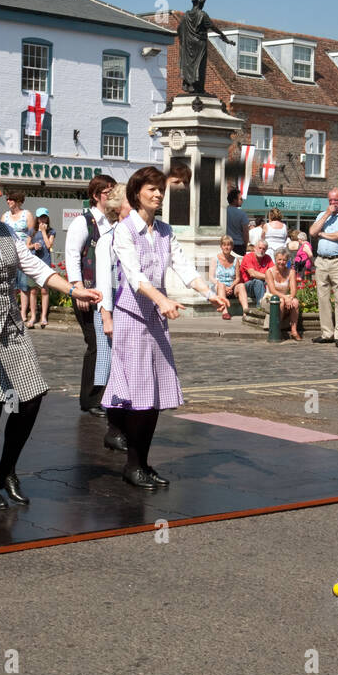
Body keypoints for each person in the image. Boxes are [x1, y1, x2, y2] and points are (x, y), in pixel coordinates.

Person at [0, 165, 100, 508]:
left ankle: (6, 469)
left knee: (30, 397)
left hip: (10, 322)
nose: (0, 194)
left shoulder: (3, 230)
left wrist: (74, 290)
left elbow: (36, 268)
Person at [102, 166, 228, 488]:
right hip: (132, 318)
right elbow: (135, 276)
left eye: (161, 190)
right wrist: (162, 300)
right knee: (140, 397)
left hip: (156, 319)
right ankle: (133, 465)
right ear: (136, 193)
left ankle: (144, 463)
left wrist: (210, 294)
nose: (158, 194)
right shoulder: (124, 231)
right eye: (151, 189)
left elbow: (185, 268)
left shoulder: (165, 231)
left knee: (154, 396)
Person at [66, 175, 117, 414]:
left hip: (107, 294)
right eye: (108, 192)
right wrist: (78, 291)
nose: (112, 196)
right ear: (96, 196)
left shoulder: (113, 223)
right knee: (96, 345)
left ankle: (106, 393)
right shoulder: (83, 222)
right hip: (88, 292)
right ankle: (91, 399)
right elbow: (73, 256)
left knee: (107, 345)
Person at [93, 184, 130, 452]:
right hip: (112, 307)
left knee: (130, 368)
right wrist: (107, 317)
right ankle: (114, 427)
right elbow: (103, 281)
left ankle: (124, 423)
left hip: (131, 309)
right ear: (118, 209)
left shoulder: (137, 236)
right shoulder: (108, 238)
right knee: (113, 368)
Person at [309, 188, 338, 347]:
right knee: (323, 299)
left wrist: (323, 234)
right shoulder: (323, 215)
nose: (333, 204)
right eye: (330, 201)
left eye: (336, 200)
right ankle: (327, 333)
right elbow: (312, 231)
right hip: (322, 261)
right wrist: (327, 215)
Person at [1, 191, 37, 326]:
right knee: (11, 285)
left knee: (23, 286)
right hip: (9, 253)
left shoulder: (26, 214)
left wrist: (28, 246)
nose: (8, 201)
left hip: (23, 253)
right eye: (7, 199)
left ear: (18, 201)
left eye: (11, 199)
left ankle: (22, 313)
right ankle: (12, 311)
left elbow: (31, 232)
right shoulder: (5, 216)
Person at [265, 247, 301, 339]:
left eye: (284, 260)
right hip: (271, 297)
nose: (282, 262)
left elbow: (293, 290)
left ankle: (294, 330)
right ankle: (277, 329)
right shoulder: (269, 272)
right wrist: (286, 298)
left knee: (295, 302)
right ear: (275, 259)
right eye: (279, 259)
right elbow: (272, 290)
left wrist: (290, 298)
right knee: (280, 302)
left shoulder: (291, 272)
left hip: (285, 297)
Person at [32, 208, 55, 328]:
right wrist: (33, 245)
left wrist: (44, 232)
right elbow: (27, 245)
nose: (42, 219)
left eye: (44, 217)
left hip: (45, 263)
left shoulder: (51, 231)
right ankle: (33, 316)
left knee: (44, 290)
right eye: (40, 217)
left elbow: (49, 245)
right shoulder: (32, 231)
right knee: (33, 290)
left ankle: (43, 316)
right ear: (37, 218)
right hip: (34, 263)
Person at [236, 238, 272, 314]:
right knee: (258, 282)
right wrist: (268, 277)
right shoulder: (248, 257)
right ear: (255, 248)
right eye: (259, 248)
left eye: (264, 249)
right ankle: (260, 308)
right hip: (247, 286)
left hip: (262, 285)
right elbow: (253, 274)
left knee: (268, 282)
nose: (261, 250)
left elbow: (274, 272)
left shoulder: (268, 258)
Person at [209, 234, 239, 320]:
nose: (226, 247)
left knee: (241, 286)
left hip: (231, 286)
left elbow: (238, 278)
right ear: (221, 246)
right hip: (218, 286)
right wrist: (224, 286)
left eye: (229, 245)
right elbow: (211, 277)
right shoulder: (215, 259)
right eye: (224, 245)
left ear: (232, 246)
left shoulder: (235, 260)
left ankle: (246, 311)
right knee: (221, 285)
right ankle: (225, 311)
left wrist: (231, 287)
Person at [226, 188, 250, 256]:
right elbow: (245, 232)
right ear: (234, 200)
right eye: (240, 199)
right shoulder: (242, 214)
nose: (242, 201)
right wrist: (245, 245)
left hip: (225, 245)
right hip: (238, 246)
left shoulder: (222, 213)